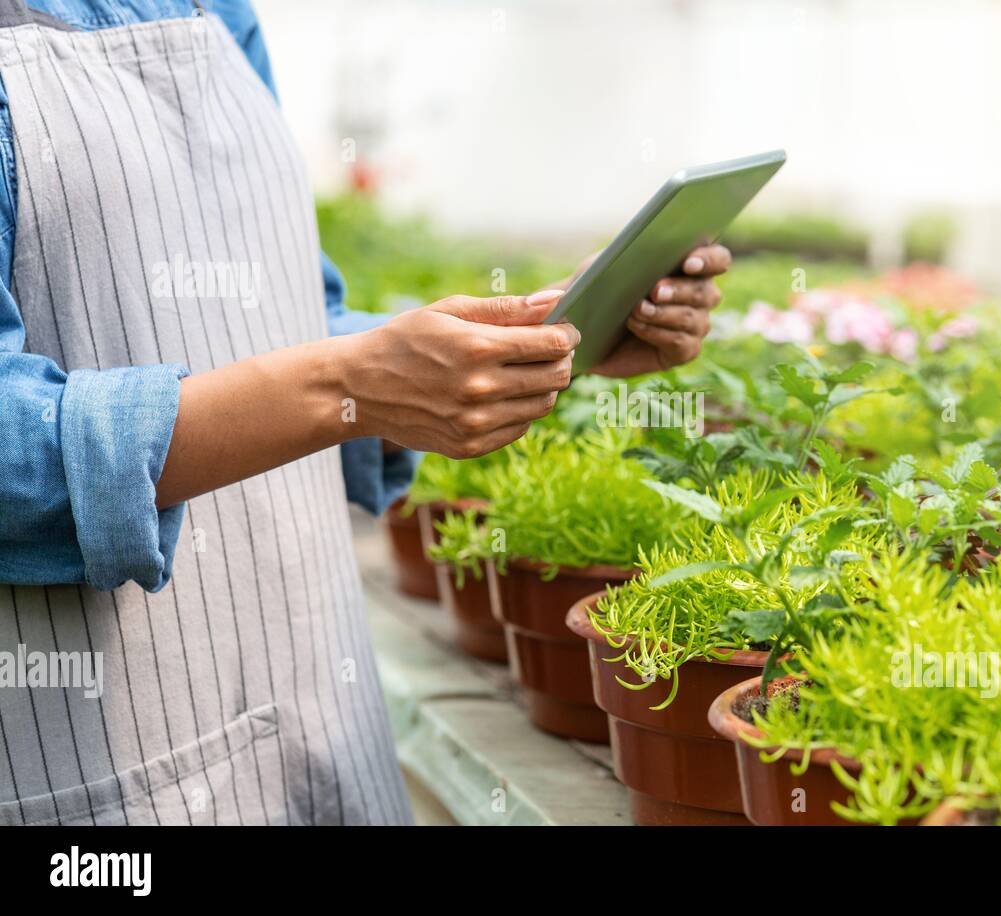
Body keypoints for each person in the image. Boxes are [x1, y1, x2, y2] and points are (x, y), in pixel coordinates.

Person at [0, 0, 728, 825]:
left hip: (312, 683)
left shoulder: (219, 11)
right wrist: (342, 387)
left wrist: (537, 331)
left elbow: (290, 314)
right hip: (105, 743)